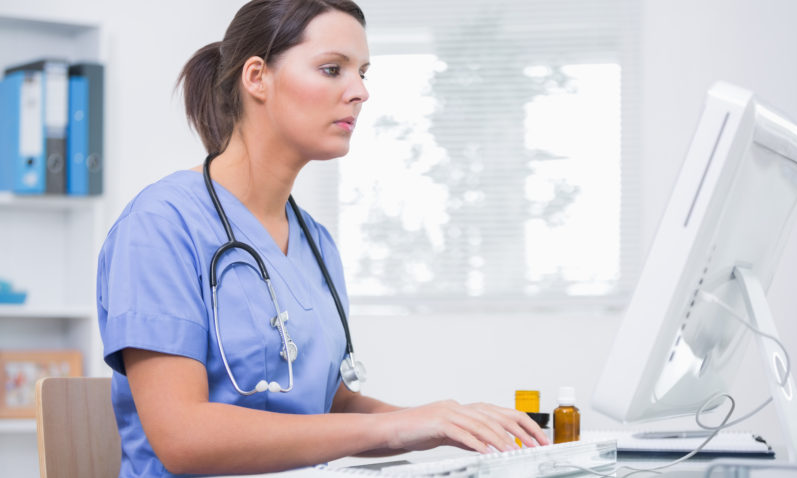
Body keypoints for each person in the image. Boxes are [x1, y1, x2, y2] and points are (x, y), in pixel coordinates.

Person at [96, 0, 549, 476]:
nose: (359, 92)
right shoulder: (160, 226)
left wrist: (445, 423)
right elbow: (183, 437)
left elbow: (326, 408)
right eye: (332, 69)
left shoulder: (315, 241)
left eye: (363, 73)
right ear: (257, 78)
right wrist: (398, 428)